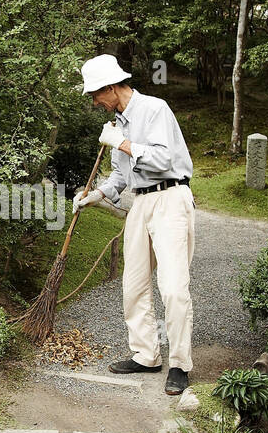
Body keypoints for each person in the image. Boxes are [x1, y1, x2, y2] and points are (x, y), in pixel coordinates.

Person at [72, 54, 195, 396]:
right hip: (141, 202)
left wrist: (123, 143)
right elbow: (120, 177)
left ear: (110, 88)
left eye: (96, 95)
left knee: (173, 288)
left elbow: (163, 159)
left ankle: (181, 365)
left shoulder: (155, 109)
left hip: (171, 198)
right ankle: (146, 355)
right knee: (134, 285)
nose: (96, 103)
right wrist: (96, 195)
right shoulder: (116, 125)